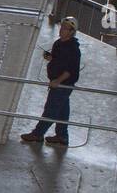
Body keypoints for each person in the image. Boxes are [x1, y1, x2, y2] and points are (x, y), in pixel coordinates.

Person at [21, 17, 81, 146]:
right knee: (62, 111)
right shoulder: (59, 43)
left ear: (72, 32)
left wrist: (57, 81)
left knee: (51, 110)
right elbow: (58, 59)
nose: (62, 30)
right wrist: (51, 58)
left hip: (62, 85)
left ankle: (37, 134)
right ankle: (62, 136)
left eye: (65, 28)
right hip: (57, 83)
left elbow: (70, 70)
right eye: (62, 27)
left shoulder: (73, 49)